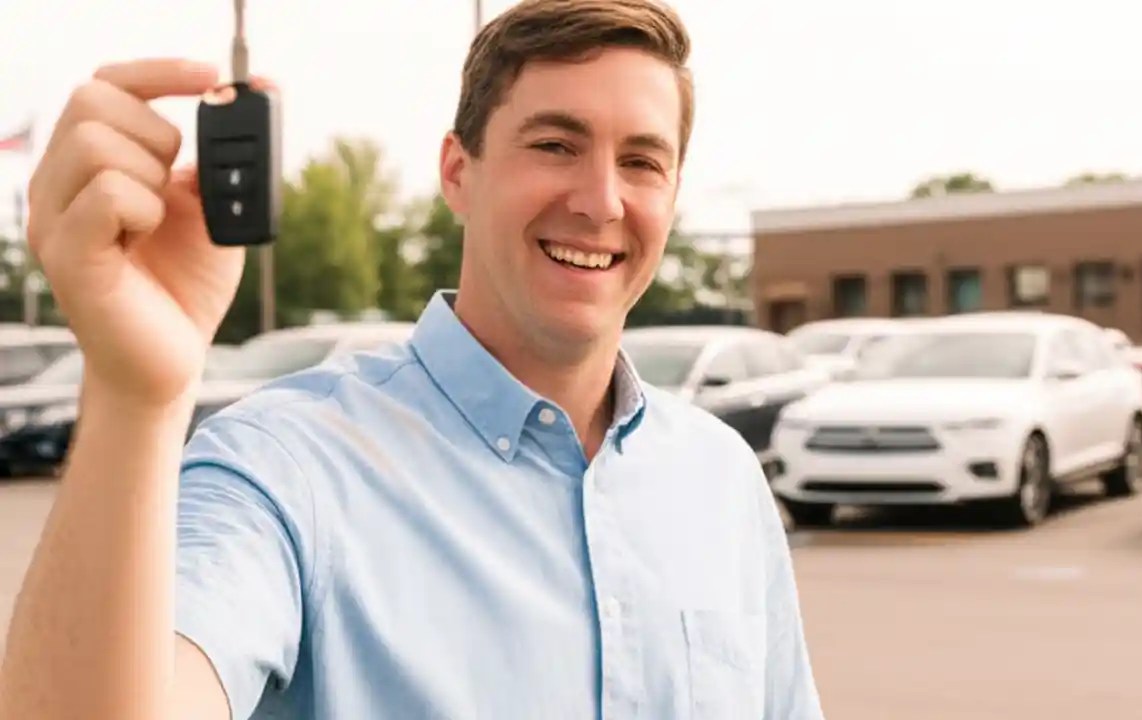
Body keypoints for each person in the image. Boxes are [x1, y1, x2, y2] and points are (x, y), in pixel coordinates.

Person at [0, 0, 824, 718]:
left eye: (641, 162)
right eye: (555, 145)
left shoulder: (721, 480)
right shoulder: (291, 468)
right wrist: (133, 397)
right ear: (458, 173)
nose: (600, 201)